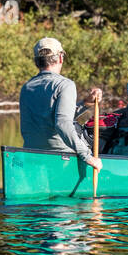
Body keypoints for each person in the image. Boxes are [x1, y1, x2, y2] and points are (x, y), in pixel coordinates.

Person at [19, 36, 101, 173]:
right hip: (59, 156)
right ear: (61, 58)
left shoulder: (27, 87)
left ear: (36, 62)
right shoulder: (65, 85)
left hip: (32, 153)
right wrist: (88, 156)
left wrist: (86, 103)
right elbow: (63, 123)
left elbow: (55, 117)